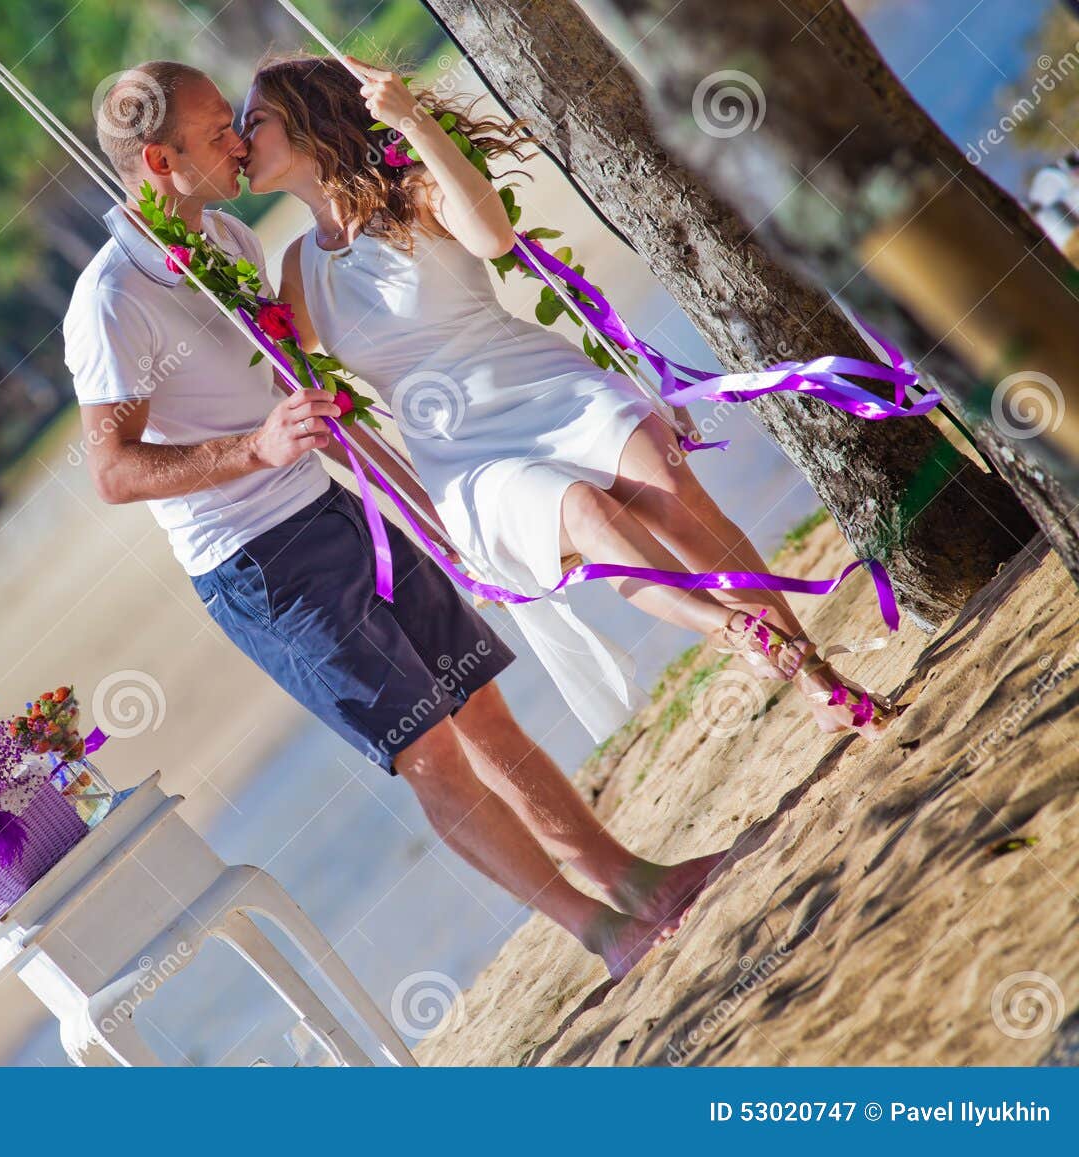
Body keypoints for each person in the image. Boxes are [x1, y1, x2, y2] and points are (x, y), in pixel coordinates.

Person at [63, 60, 725, 980]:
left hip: (331, 512)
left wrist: (420, 502)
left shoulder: (229, 243)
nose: (238, 139)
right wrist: (252, 451)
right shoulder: (109, 299)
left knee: (482, 705)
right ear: (161, 161)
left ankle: (638, 885)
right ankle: (598, 931)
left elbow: (314, 406)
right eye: (220, 129)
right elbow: (111, 468)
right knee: (431, 752)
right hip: (259, 567)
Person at [242, 53, 898, 742]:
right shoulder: (297, 271)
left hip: (542, 385)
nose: (240, 137)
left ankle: (818, 678)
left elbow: (492, 236)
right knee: (584, 512)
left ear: (311, 123)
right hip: (465, 456)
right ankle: (736, 630)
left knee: (672, 493)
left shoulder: (411, 194)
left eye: (254, 121)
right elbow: (296, 391)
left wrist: (412, 120)